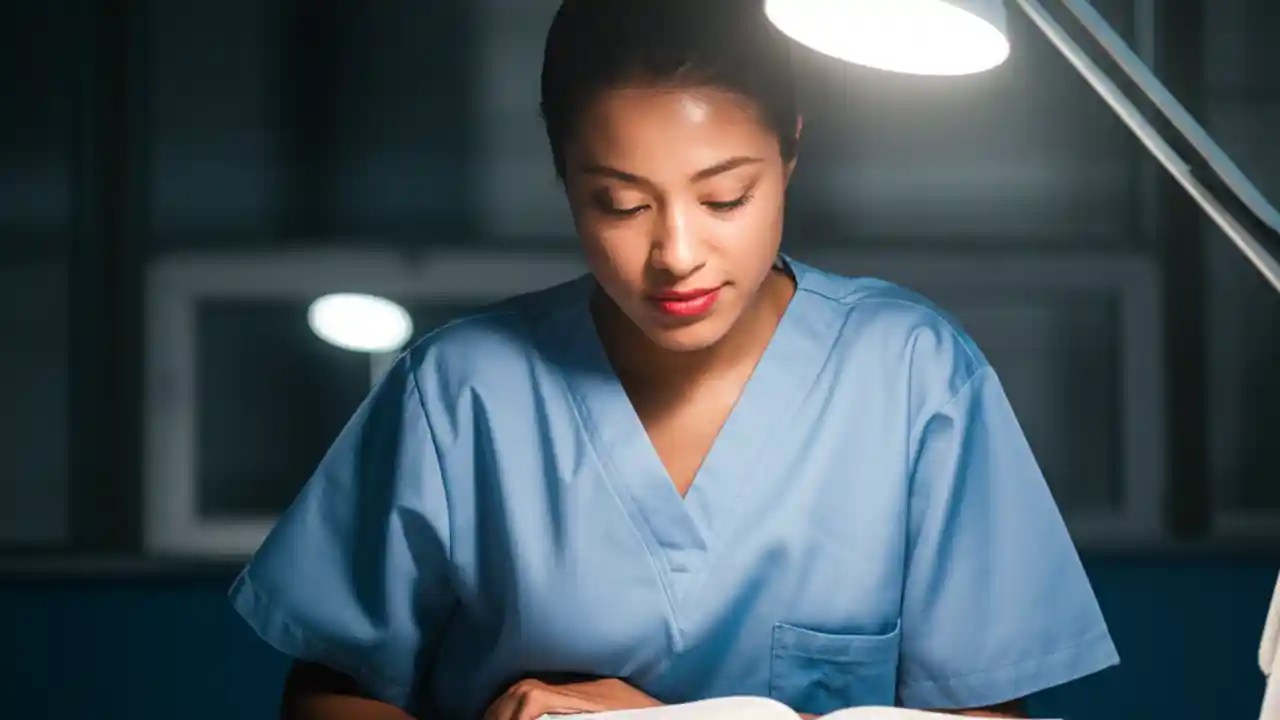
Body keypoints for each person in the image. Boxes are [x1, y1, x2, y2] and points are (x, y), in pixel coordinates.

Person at [229, 2, 1119, 719]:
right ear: (563, 178)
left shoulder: (912, 376)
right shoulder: (464, 394)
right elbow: (329, 690)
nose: (676, 253)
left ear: (792, 149)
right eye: (620, 205)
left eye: (726, 195)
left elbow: (988, 712)